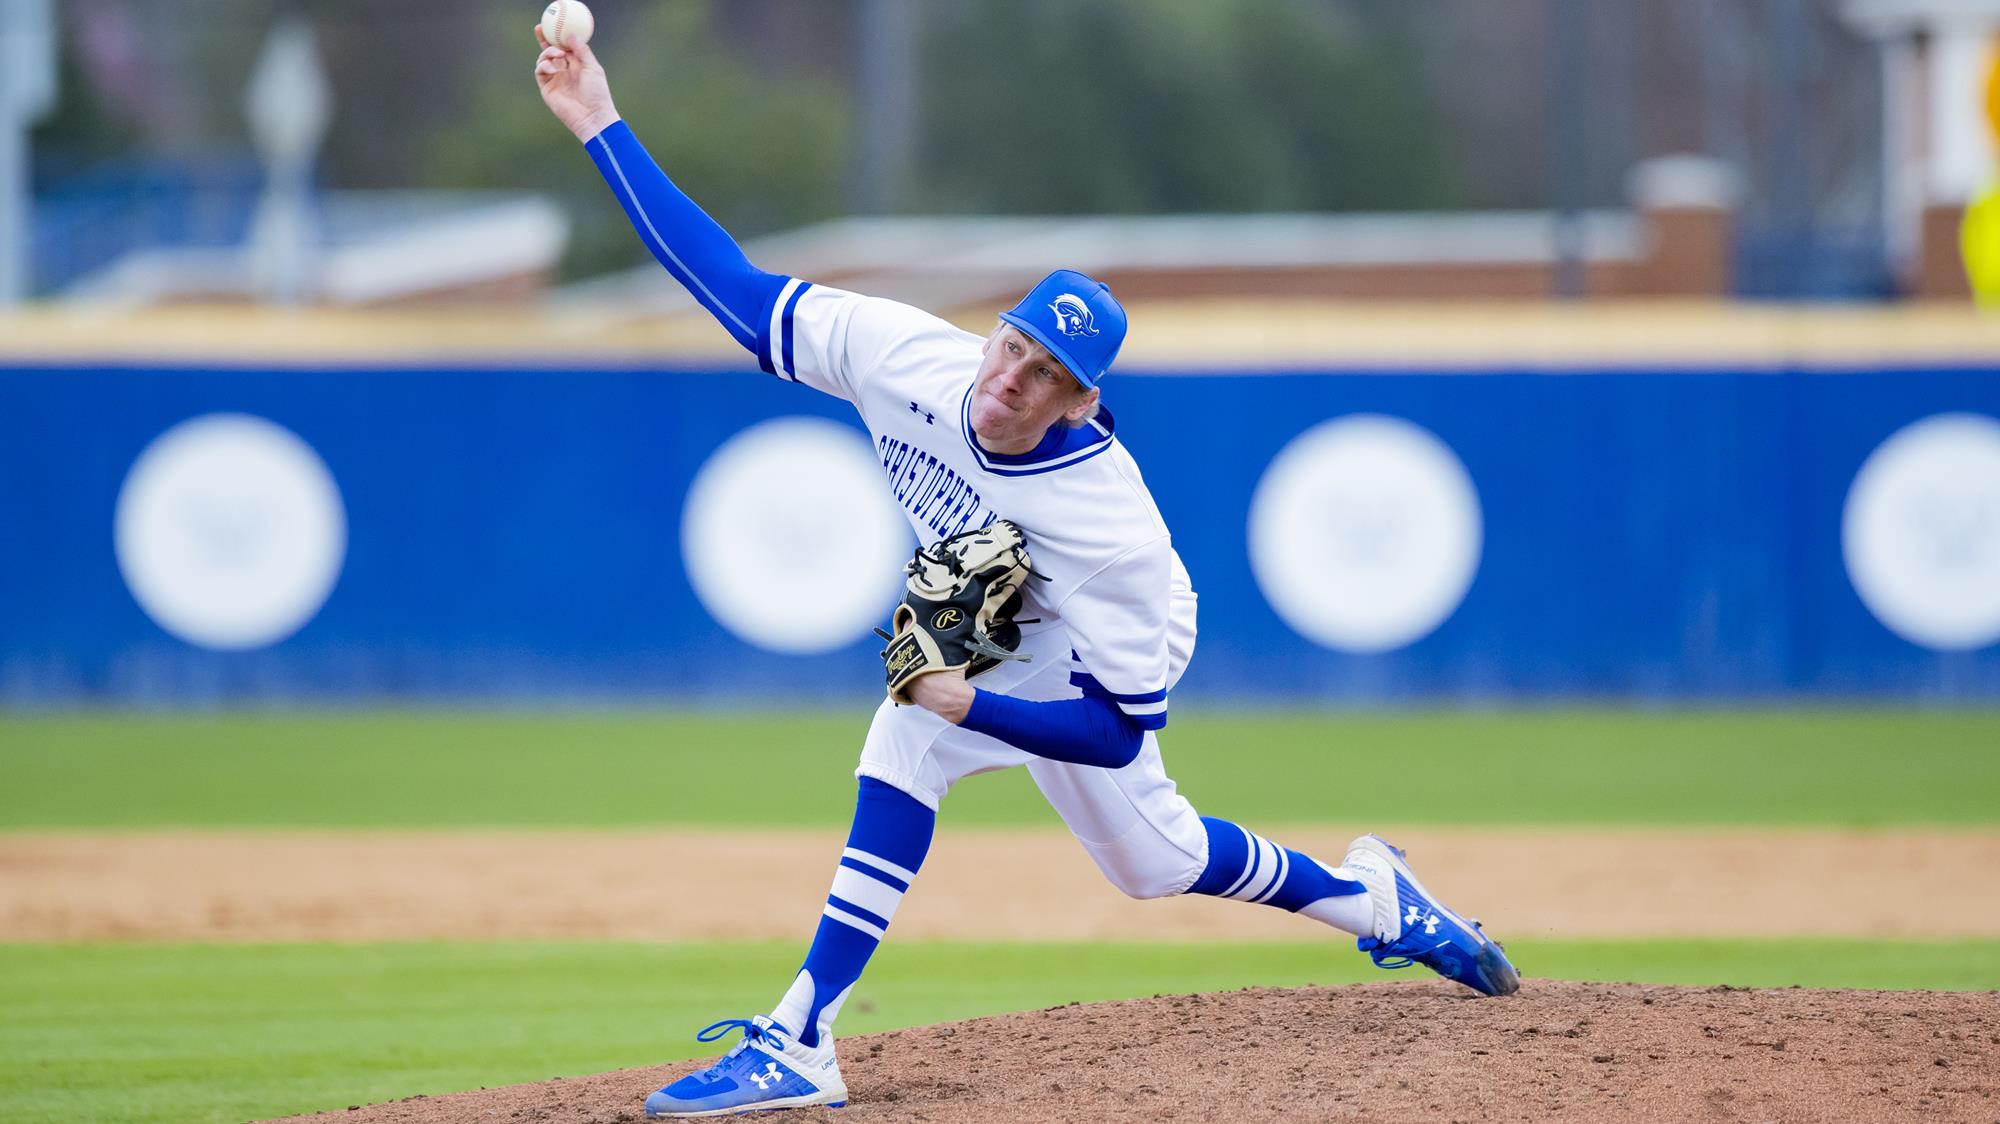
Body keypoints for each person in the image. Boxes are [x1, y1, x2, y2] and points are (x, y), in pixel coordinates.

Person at [534, 27, 1518, 1118]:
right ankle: (1376, 900)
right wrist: (599, 123)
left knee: (920, 733)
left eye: (1048, 374)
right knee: (1153, 859)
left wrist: (972, 700)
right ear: (992, 330)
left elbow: (1110, 727)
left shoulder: (1115, 532)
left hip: (1100, 640)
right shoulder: (904, 353)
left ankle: (802, 1037)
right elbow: (728, 283)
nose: (1013, 379)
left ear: (1082, 400)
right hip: (1003, 597)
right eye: (1013, 346)